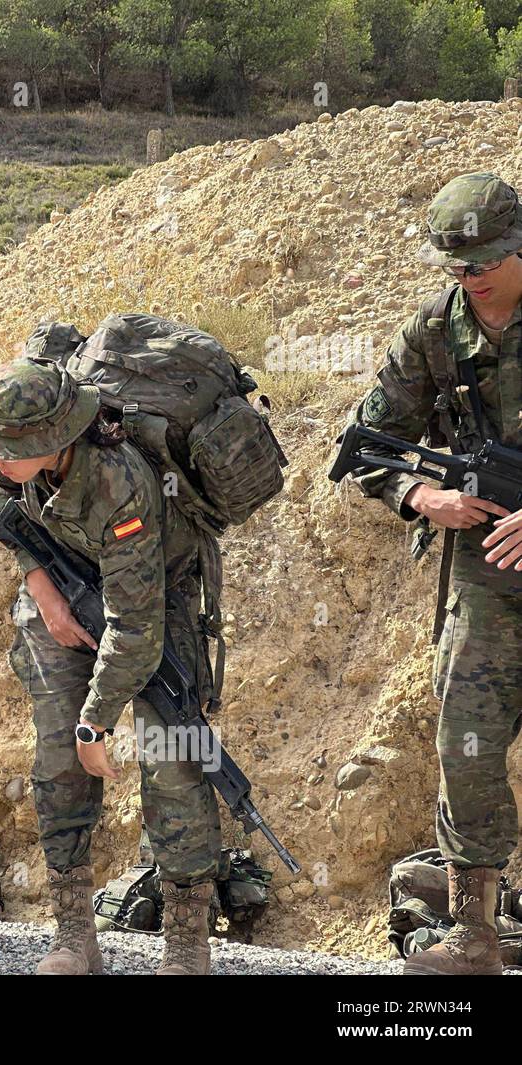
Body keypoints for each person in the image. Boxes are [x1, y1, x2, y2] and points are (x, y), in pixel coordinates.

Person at [0, 357, 222, 975]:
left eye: (3, 450)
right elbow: (11, 522)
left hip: (151, 599)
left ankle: (187, 947)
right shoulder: (11, 463)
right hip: (60, 598)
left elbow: (135, 623)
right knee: (57, 761)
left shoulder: (119, 482)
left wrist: (98, 719)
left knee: (174, 759)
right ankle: (73, 936)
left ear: (51, 442)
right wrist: (45, 596)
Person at [342, 171, 522, 976]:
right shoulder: (433, 332)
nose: (472, 275)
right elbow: (365, 445)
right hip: (488, 573)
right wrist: (423, 495)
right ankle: (476, 933)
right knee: (467, 741)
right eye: (457, 264)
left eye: (485, 258)